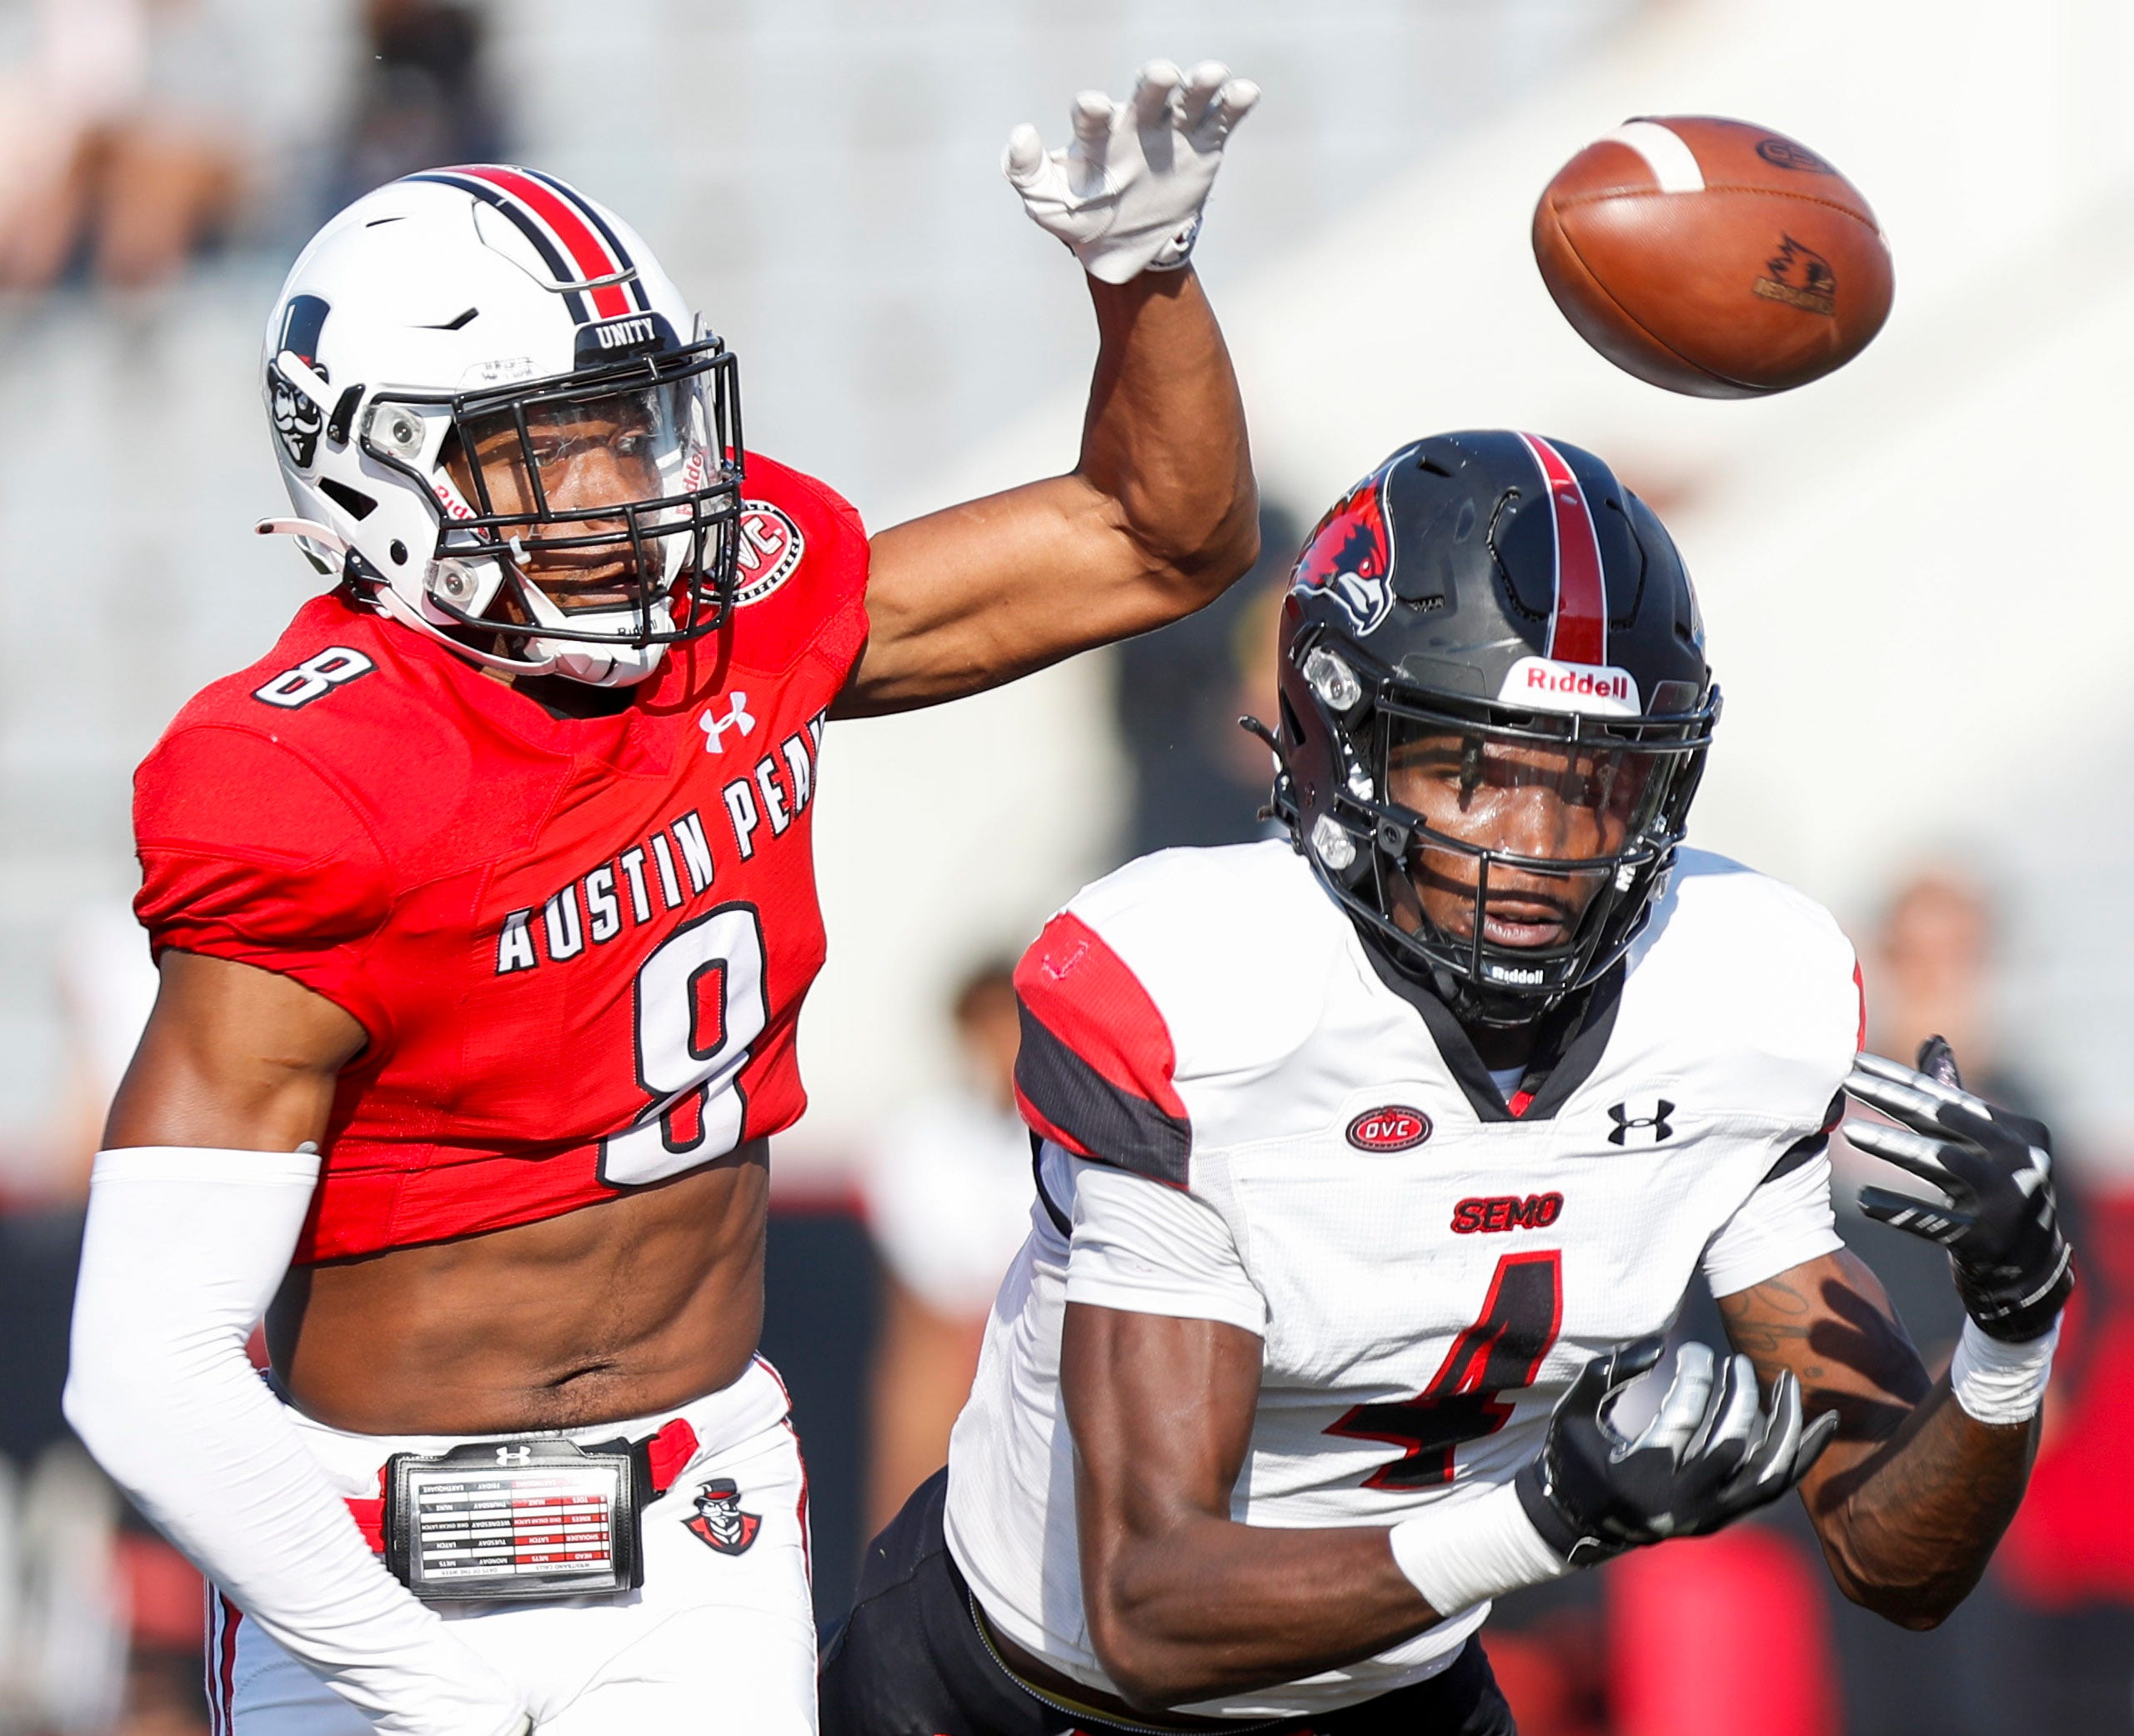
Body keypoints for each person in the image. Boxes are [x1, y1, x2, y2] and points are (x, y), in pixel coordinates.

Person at [61, 62, 1261, 1736]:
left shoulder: (736, 620)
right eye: (556, 449)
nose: (632, 489)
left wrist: (1145, 280)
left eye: (636, 426)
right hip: (369, 1538)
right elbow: (144, 1369)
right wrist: (415, 1678)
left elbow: (1158, 538)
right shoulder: (313, 779)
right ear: (378, 474)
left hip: (699, 1512)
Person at [818, 433, 2076, 1736]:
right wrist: (1543, 1519)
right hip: (1028, 1695)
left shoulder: (1734, 986)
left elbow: (1895, 1558)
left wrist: (2012, 1326)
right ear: (1339, 739)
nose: (1539, 845)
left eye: (1597, 777)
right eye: (1472, 768)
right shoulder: (1211, 989)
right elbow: (1148, 1610)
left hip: (1399, 1691)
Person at [861, 960, 1039, 1537]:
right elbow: (935, 1271)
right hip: (947, 1364)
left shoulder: (1066, 1139)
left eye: (1011, 1028)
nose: (999, 1049)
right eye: (986, 1030)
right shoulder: (919, 1134)